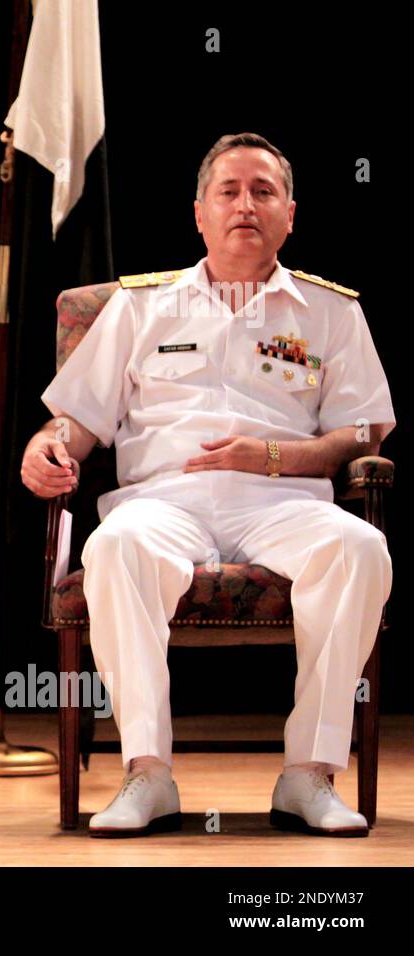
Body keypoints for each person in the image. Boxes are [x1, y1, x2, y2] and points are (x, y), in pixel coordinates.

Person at [22, 132, 394, 837]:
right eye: (228, 191)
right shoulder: (138, 308)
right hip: (163, 499)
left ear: (290, 213)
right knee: (116, 547)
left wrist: (276, 457)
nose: (245, 206)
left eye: (263, 191)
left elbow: (363, 435)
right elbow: (72, 422)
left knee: (361, 549)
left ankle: (309, 774)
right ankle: (147, 772)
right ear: (199, 212)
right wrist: (45, 449)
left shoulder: (331, 313)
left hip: (283, 501)